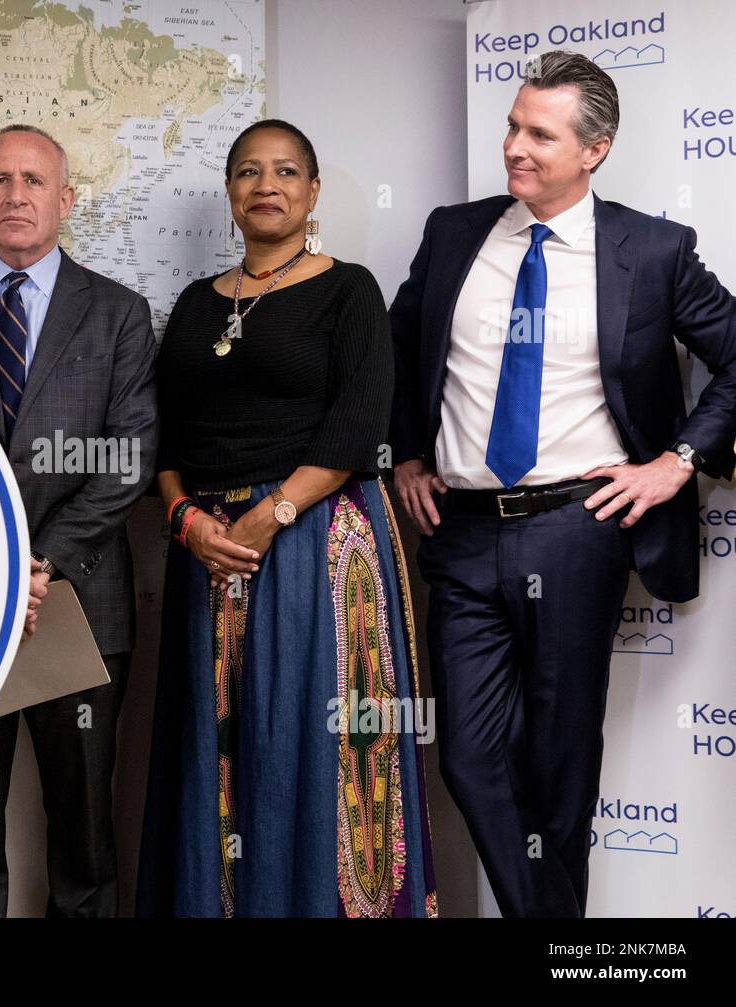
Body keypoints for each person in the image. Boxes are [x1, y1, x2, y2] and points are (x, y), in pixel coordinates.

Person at [389, 51, 736, 917]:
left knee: (560, 764)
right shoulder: (453, 231)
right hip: (461, 531)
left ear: (595, 150)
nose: (514, 147)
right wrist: (403, 452)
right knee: (468, 758)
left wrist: (678, 460)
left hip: (577, 528)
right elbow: (397, 351)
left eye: (539, 134)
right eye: (513, 125)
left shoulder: (652, 250)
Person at [137, 119, 437, 918]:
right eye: (248, 171)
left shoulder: (350, 289)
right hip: (208, 552)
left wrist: (271, 515)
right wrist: (186, 522)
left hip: (319, 545)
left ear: (312, 193)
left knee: (311, 746)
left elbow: (357, 427)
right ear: (231, 193)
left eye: (286, 171)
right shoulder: (197, 306)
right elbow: (164, 439)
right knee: (221, 749)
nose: (266, 184)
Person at [0, 124, 158, 917]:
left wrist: (37, 563)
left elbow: (130, 461)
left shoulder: (117, 313)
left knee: (83, 829)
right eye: (1, 180)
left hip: (76, 600)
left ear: (66, 199)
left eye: (34, 181)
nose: (17, 195)